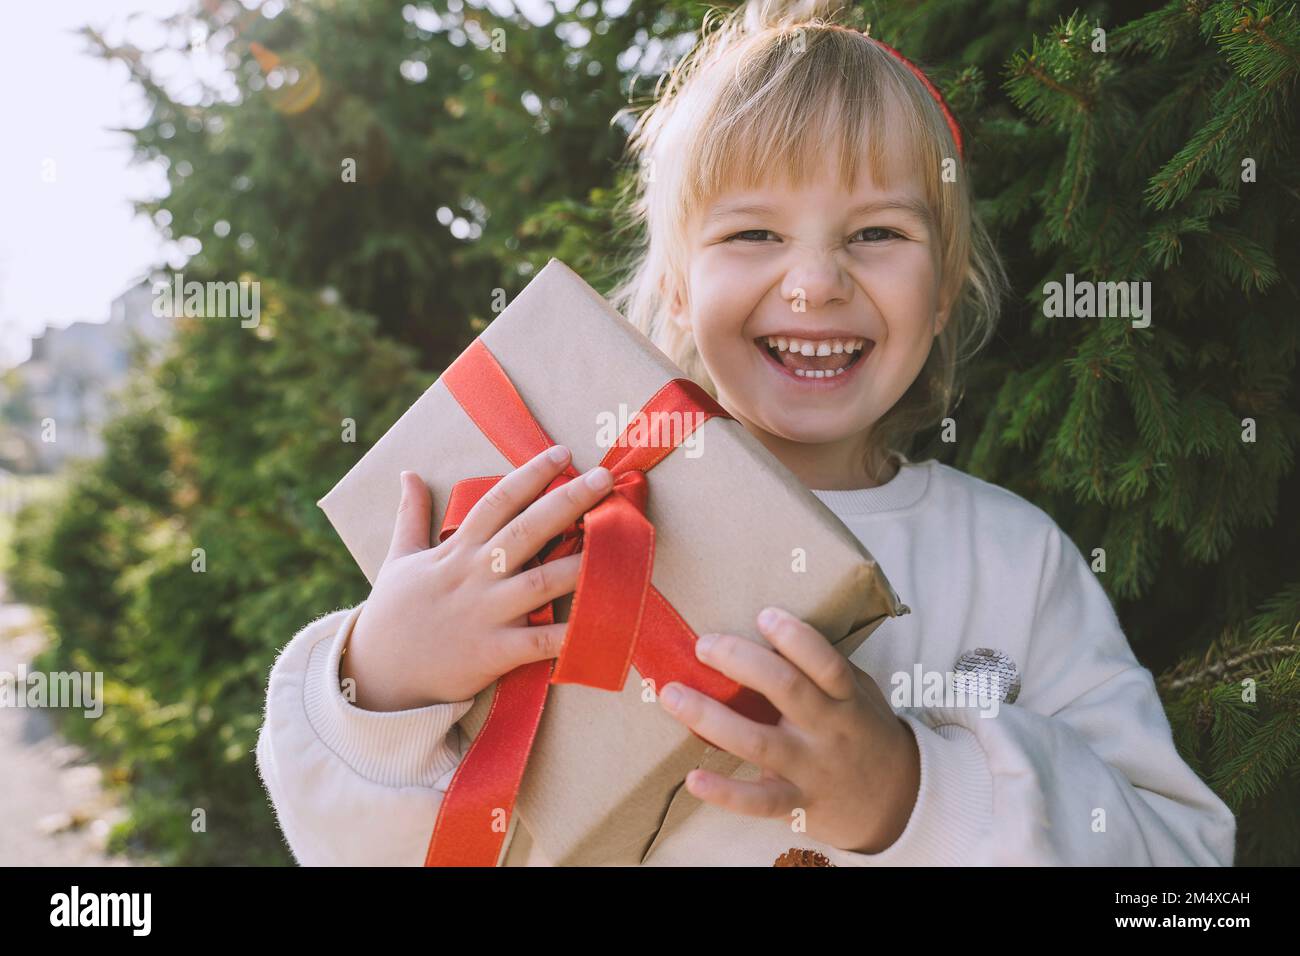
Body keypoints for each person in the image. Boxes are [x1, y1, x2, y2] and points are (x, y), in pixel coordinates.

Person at [255, 0, 1236, 866]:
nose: (814, 282)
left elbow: (1181, 862)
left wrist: (911, 791)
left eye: (876, 234)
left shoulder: (1018, 561)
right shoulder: (560, 526)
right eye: (754, 234)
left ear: (941, 295)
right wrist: (383, 683)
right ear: (679, 288)